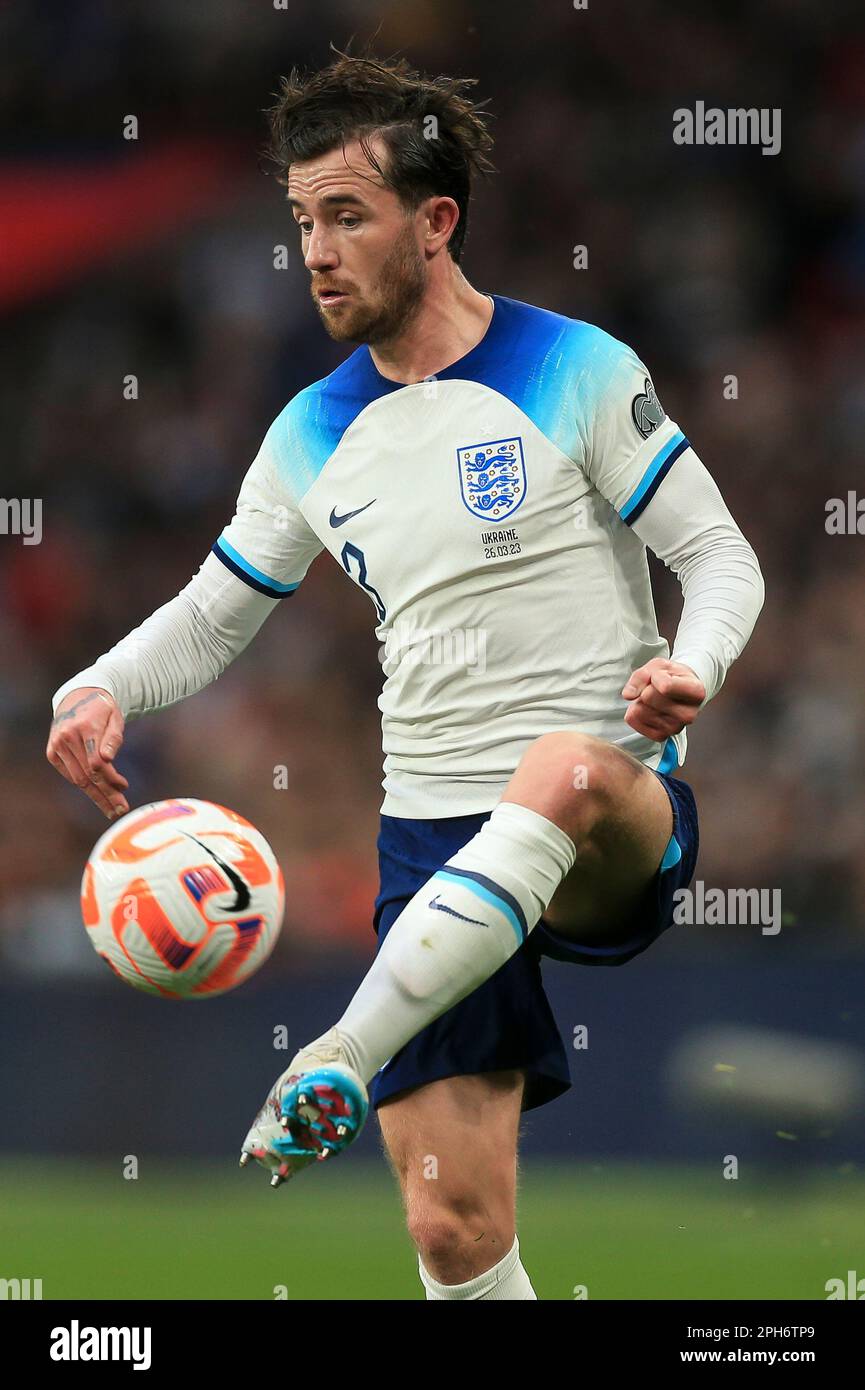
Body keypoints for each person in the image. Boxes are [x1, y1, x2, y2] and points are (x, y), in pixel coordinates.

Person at [47, 50, 764, 1301]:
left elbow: (718, 557)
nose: (314, 251)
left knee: (563, 768)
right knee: (454, 1239)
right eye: (301, 221)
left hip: (607, 811)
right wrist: (98, 685)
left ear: (434, 222)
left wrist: (690, 668)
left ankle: (333, 1050)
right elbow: (218, 612)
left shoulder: (575, 367)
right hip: (432, 835)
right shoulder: (309, 433)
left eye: (346, 216)